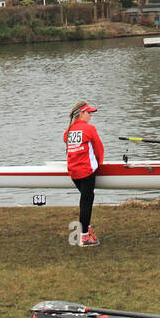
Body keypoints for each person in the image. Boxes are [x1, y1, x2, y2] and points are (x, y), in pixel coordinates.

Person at [63, 101, 103, 247]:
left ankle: (86, 229)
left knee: (86, 199)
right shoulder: (89, 129)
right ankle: (84, 237)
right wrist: (100, 164)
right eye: (89, 113)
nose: (90, 116)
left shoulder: (69, 131)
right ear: (82, 114)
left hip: (73, 172)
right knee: (87, 201)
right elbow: (99, 149)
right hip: (87, 171)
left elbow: (67, 144)